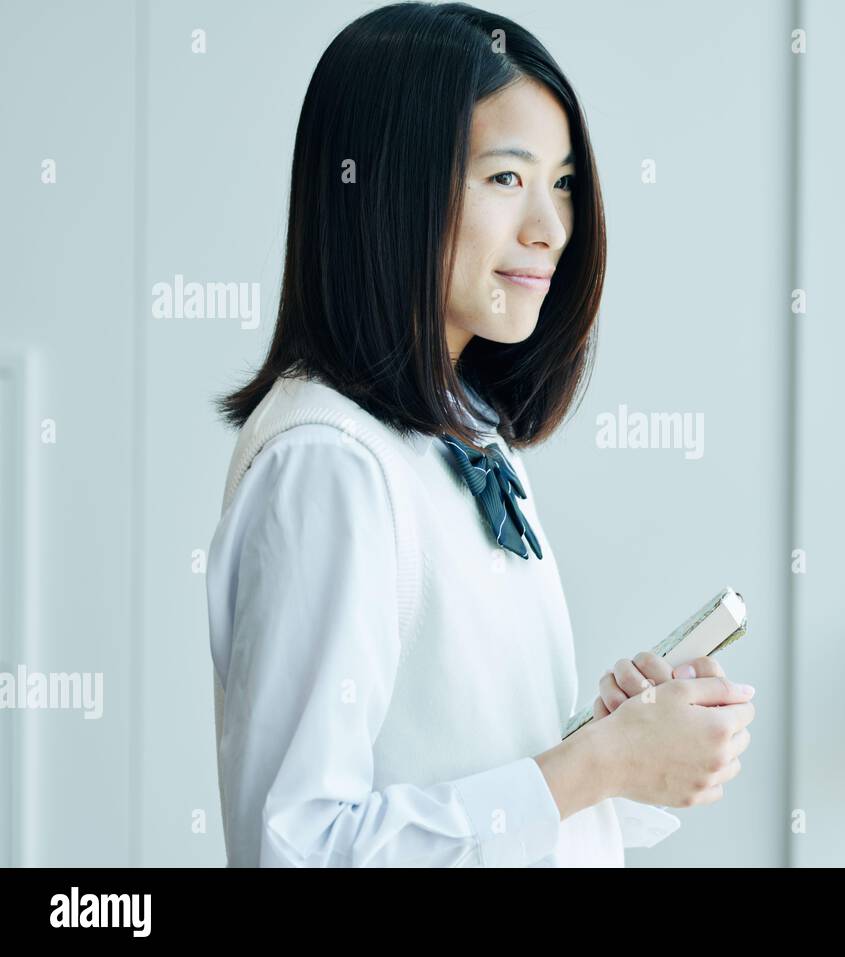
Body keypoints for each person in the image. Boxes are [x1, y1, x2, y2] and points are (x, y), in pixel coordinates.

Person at [205, 1, 756, 867]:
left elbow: (474, 776)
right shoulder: (330, 464)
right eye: (507, 178)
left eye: (563, 182)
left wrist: (624, 752)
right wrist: (593, 763)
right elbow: (299, 847)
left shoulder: (465, 433)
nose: (552, 228)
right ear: (392, 187)